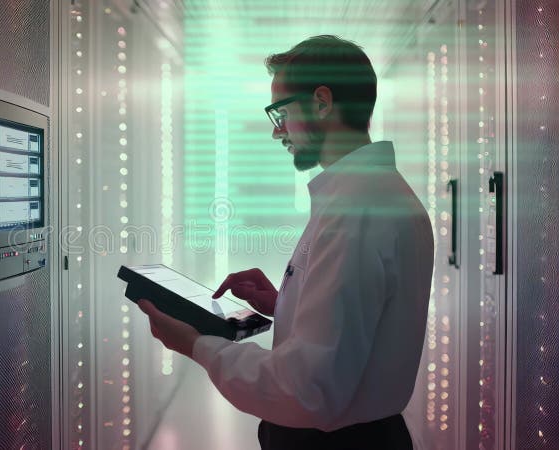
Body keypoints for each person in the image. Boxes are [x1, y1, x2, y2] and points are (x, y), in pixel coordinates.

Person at [136, 35, 434, 449]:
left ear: (322, 103)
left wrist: (196, 343)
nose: (278, 130)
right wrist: (285, 305)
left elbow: (305, 391)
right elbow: (361, 327)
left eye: (281, 111)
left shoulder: (356, 212)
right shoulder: (376, 195)